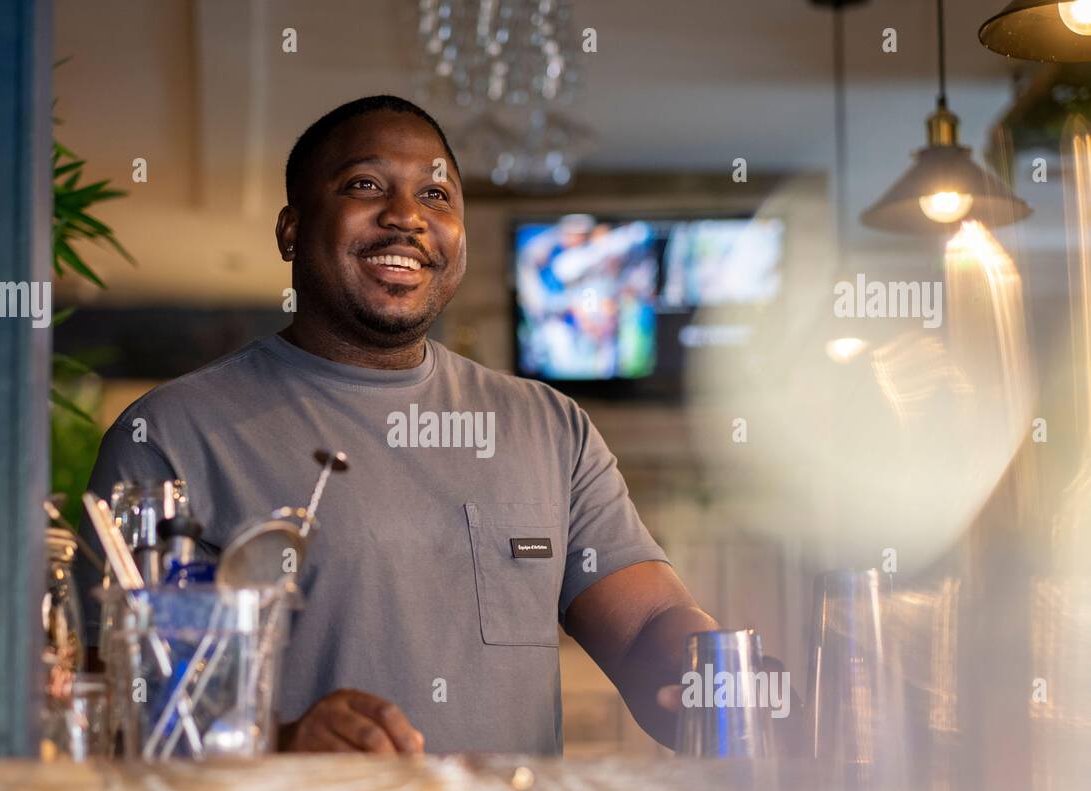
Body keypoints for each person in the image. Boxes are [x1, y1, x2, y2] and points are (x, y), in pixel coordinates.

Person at [84, 94, 771, 755]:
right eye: (364, 184)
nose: (407, 216)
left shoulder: (551, 429)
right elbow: (107, 691)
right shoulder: (172, 435)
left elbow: (647, 622)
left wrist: (718, 679)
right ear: (291, 230)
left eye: (437, 195)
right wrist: (278, 744)